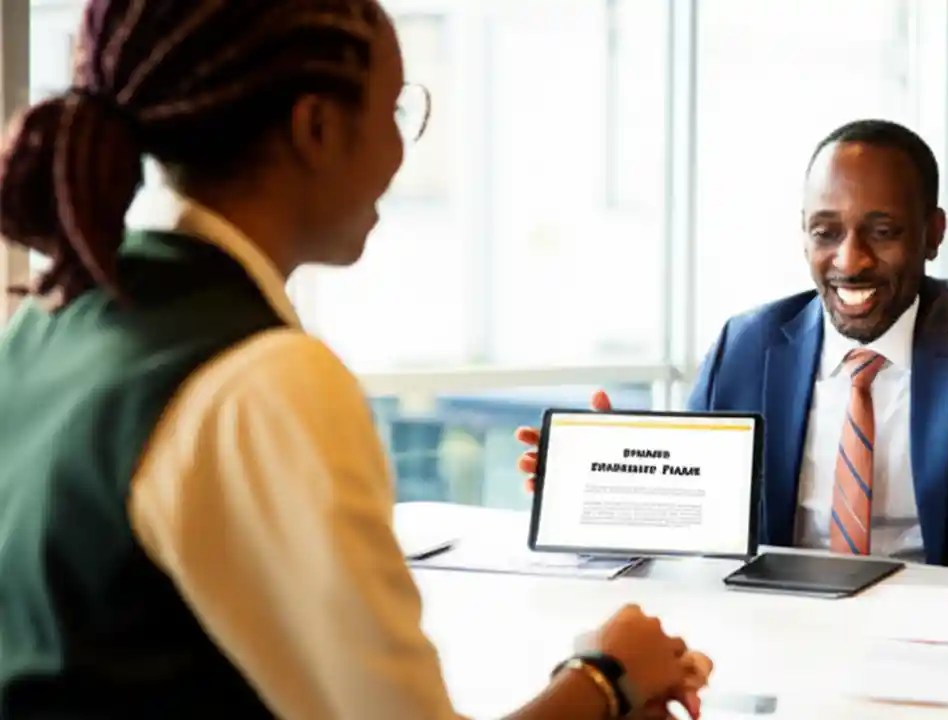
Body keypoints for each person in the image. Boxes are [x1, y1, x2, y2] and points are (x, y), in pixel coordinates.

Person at [0, 1, 710, 718]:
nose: (403, 155)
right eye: (395, 112)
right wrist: (607, 674)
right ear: (317, 128)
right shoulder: (264, 377)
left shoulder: (47, 321)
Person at [518, 120, 948, 586]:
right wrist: (594, 484)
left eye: (882, 232)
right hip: (778, 652)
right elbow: (684, 538)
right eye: (826, 231)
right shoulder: (745, 347)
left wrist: (943, 634)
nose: (849, 260)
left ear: (933, 233)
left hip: (944, 659)